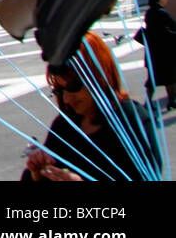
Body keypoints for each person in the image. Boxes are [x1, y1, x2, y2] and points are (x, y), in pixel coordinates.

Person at [22, 31, 163, 181]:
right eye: (59, 90)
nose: (67, 98)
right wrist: (36, 174)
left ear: (98, 78)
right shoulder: (65, 126)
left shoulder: (131, 119)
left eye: (74, 87)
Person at [139, 0, 176, 110]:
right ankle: (171, 100)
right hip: (164, 52)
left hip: (153, 53)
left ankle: (149, 103)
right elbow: (169, 30)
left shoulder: (150, 12)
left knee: (154, 79)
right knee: (170, 77)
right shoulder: (161, 13)